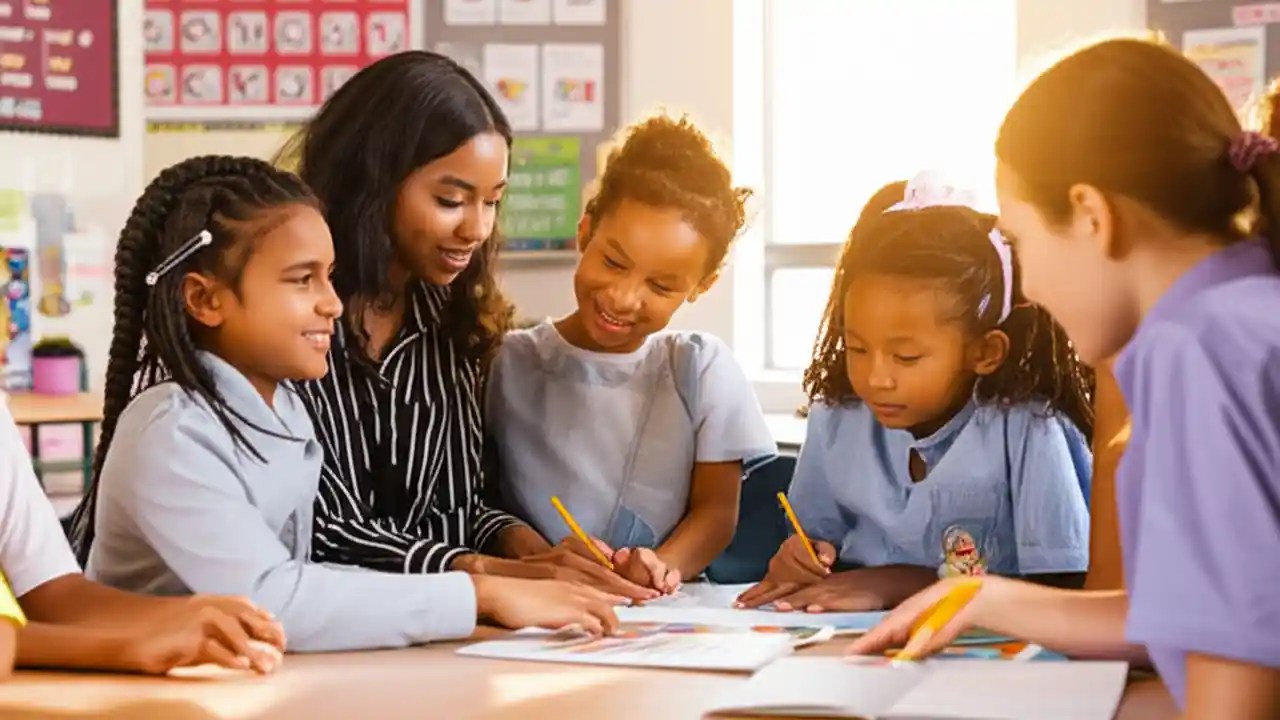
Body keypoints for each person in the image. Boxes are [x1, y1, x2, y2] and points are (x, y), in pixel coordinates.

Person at [852, 39, 1280, 719]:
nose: (1025, 291)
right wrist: (989, 596)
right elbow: (1214, 614)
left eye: (1020, 245)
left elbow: (1235, 692)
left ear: (1091, 214)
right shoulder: (1240, 311)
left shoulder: (1199, 351)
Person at [70, 155, 619, 653]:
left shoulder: (282, 410)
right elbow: (272, 599)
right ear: (206, 300)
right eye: (302, 280)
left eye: (328, 277)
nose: (332, 304)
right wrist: (478, 596)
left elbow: (305, 584)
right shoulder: (171, 433)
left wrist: (476, 616)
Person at [279, 51, 652, 600]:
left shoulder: (451, 325)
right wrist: (485, 574)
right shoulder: (290, 317)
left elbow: (459, 508)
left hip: (440, 633)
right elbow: (318, 529)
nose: (476, 228)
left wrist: (533, 550)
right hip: (320, 628)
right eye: (451, 200)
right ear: (375, 181)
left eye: (493, 202)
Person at [737, 172, 1095, 613]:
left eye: (906, 357)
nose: (876, 377)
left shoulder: (1027, 428)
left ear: (984, 352)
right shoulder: (837, 414)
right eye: (858, 348)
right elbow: (813, 536)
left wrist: (901, 584)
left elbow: (1063, 588)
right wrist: (801, 558)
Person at [486, 114, 775, 593]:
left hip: (658, 605)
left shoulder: (700, 368)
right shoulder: (505, 365)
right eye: (613, 262)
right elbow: (478, 501)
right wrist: (541, 560)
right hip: (537, 595)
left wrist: (662, 566)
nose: (623, 297)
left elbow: (716, 512)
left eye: (661, 286)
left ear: (702, 286)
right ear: (585, 233)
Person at [5, 404, 284, 675]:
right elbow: (6, 644)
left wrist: (184, 612)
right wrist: (122, 648)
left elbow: (51, 593)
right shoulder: (166, 427)